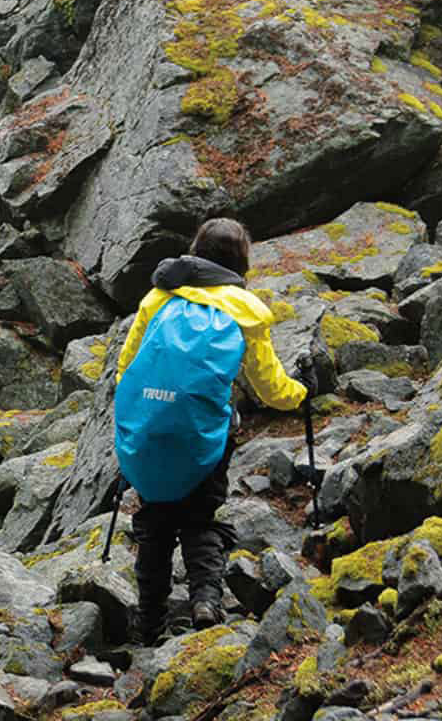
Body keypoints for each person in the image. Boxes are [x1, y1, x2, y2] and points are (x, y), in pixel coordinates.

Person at [113, 217, 310, 644]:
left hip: (149, 428)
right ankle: (205, 601)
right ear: (242, 262)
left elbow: (126, 369)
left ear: (195, 251)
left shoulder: (158, 298)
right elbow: (270, 388)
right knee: (199, 518)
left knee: (154, 524)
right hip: (204, 436)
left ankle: (149, 623)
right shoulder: (245, 311)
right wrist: (302, 392)